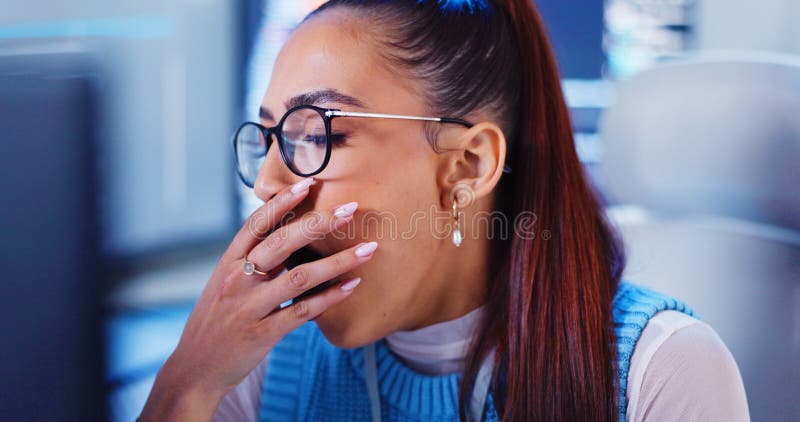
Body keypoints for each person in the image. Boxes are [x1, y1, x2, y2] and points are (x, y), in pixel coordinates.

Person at [140, 1, 750, 420]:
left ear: (467, 167)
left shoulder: (659, 371)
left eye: (320, 134)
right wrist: (187, 382)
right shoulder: (257, 362)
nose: (269, 184)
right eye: (273, 138)